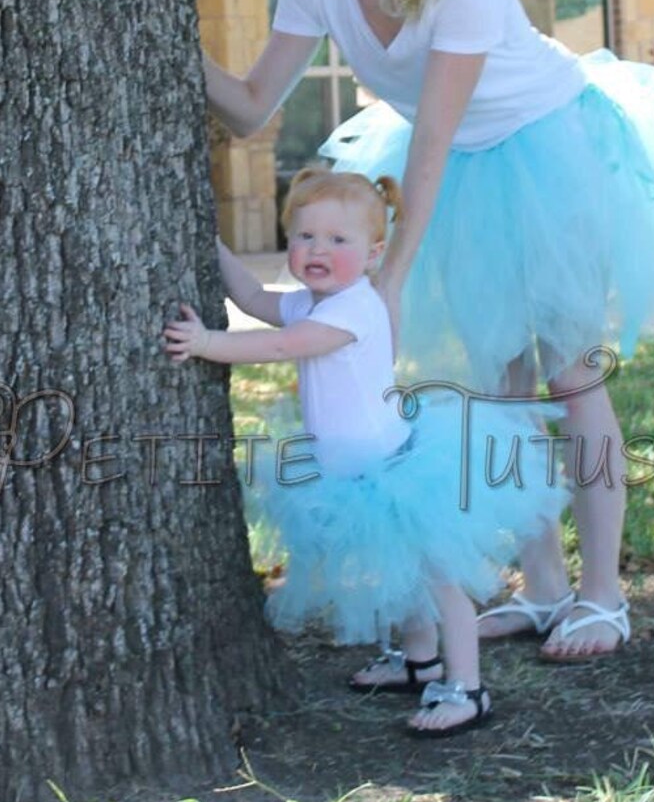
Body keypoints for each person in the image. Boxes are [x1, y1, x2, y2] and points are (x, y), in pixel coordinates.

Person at [201, 0, 654, 662]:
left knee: (569, 374)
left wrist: (392, 275)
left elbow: (433, 133)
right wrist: (160, 30)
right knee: (500, 386)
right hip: (463, 166)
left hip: (545, 147)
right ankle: (543, 588)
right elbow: (250, 109)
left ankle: (604, 595)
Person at [164, 168, 566, 737]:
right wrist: (212, 241)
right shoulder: (311, 300)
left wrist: (207, 343)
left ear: (375, 253)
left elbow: (282, 345)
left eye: (337, 240)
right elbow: (253, 297)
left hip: (397, 471)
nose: (316, 250)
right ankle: (419, 662)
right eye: (304, 237)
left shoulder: (352, 309)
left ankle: (466, 689)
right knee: (400, 573)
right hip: (353, 469)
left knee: (439, 579)